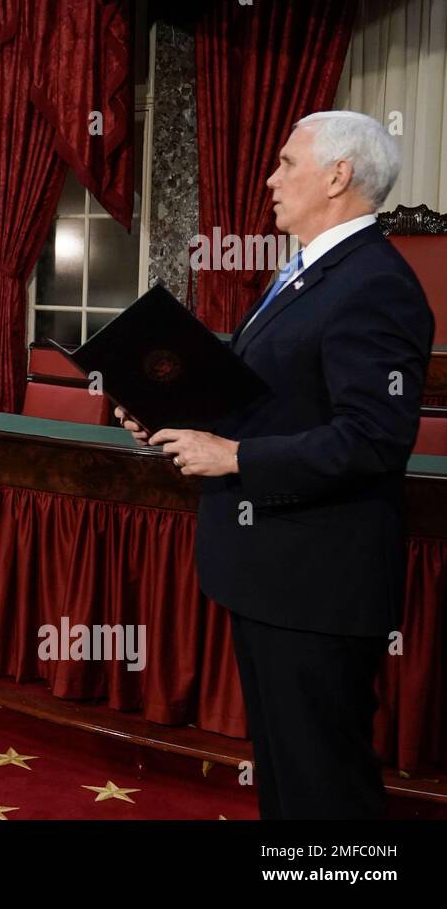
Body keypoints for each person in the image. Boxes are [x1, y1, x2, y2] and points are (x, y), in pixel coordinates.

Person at [117, 110, 434, 818]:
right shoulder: (303, 274)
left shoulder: (375, 283)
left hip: (317, 585)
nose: (270, 178)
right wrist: (171, 420)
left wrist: (232, 455)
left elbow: (375, 438)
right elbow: (263, 400)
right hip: (270, 574)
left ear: (338, 175)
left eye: (287, 162)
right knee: (290, 783)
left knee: (326, 790)